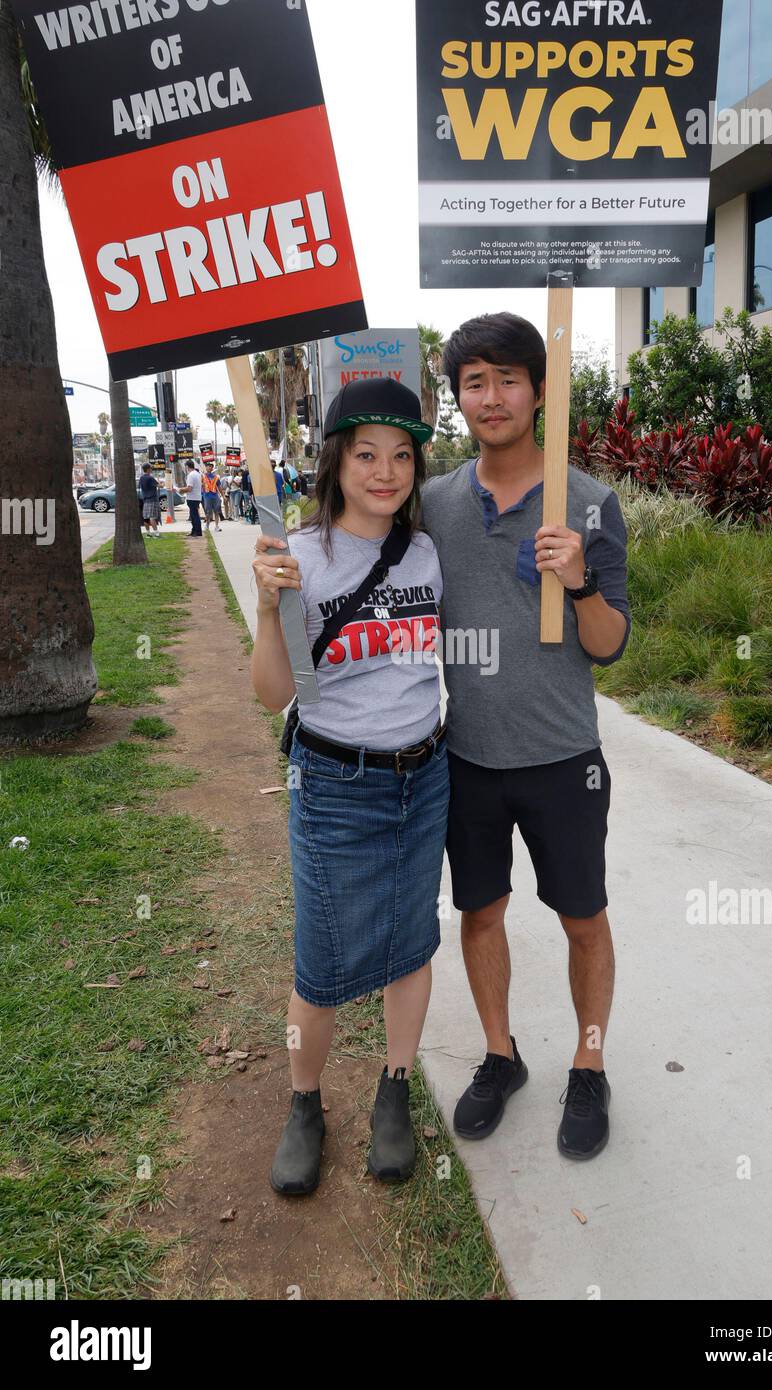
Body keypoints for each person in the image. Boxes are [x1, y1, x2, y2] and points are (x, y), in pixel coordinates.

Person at [422, 312, 631, 1162]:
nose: (493, 396)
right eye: (475, 381)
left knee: (583, 917)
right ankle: (501, 1055)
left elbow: (611, 645)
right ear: (459, 399)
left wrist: (580, 584)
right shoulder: (433, 502)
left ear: (541, 391)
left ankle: (588, 1062)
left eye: (510, 378)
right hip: (468, 758)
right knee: (481, 912)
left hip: (564, 762)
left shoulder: (588, 501)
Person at [250, 378, 447, 1197]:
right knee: (322, 963)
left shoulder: (427, 552)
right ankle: (305, 1105)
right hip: (335, 783)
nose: (386, 471)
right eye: (367, 453)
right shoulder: (301, 557)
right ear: (337, 460)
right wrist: (267, 610)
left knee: (412, 942)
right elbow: (273, 693)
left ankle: (394, 1093)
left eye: (402, 455)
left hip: (423, 777)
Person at [138, 463, 161, 537]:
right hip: (152, 499)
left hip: (145, 500)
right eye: (151, 468)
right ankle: (156, 533)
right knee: (152, 517)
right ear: (148, 469)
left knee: (146, 517)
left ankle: (148, 533)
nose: (152, 469)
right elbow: (159, 485)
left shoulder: (141, 478)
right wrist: (162, 483)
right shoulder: (150, 478)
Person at [202, 460, 223, 533]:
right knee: (208, 512)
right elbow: (200, 486)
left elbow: (219, 487)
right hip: (207, 496)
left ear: (212, 468)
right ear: (206, 467)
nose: (210, 468)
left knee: (216, 511)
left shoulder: (216, 477)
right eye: (208, 466)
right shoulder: (203, 476)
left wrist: (223, 496)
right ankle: (207, 525)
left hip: (215, 496)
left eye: (211, 466)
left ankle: (216, 526)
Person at [184, 460, 203, 537]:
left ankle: (196, 531)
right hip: (197, 497)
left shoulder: (191, 475)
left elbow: (189, 488)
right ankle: (196, 531)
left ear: (187, 467)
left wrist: (180, 490)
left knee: (194, 515)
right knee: (194, 515)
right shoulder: (198, 474)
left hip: (192, 497)